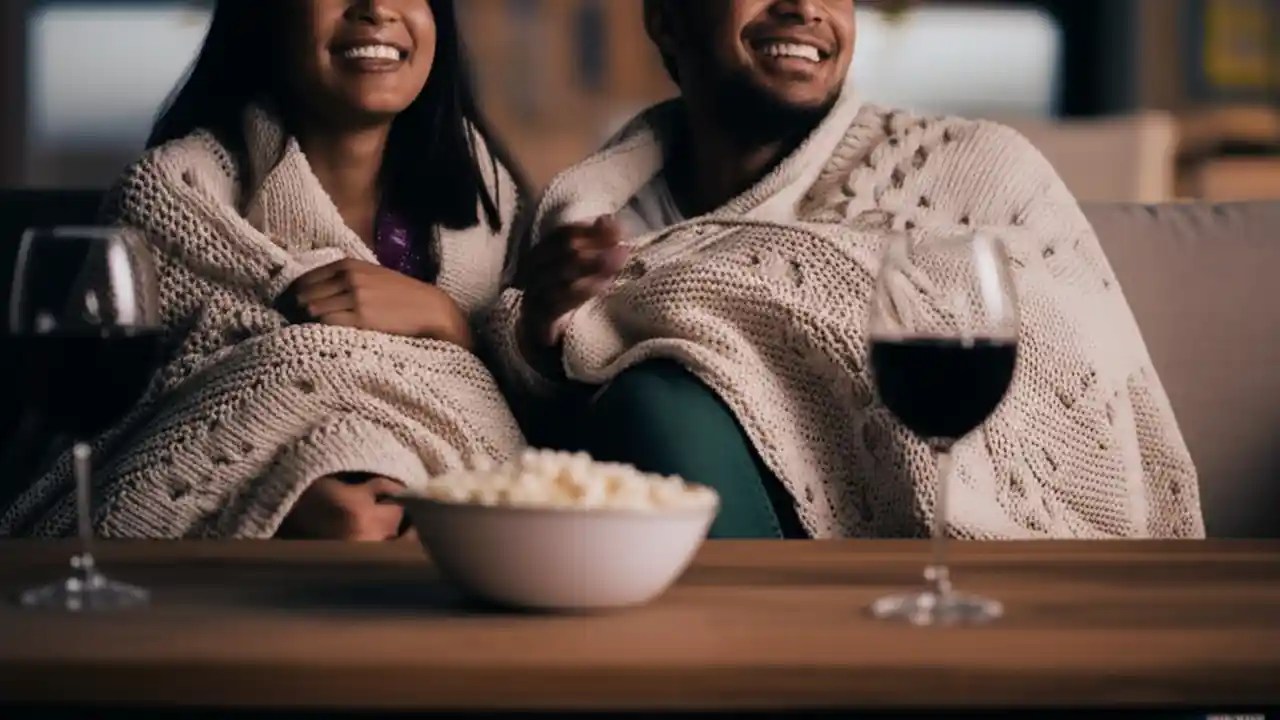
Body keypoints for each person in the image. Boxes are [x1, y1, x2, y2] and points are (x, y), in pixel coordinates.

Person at [487, 0, 1206, 540]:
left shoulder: (978, 170)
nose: (805, 7)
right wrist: (540, 339)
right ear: (668, 17)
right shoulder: (584, 224)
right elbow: (539, 468)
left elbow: (1089, 376)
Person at [0, 0, 527, 540]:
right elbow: (110, 421)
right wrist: (277, 489)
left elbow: (516, 394)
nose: (374, 8)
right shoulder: (169, 194)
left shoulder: (492, 203)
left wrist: (446, 320)